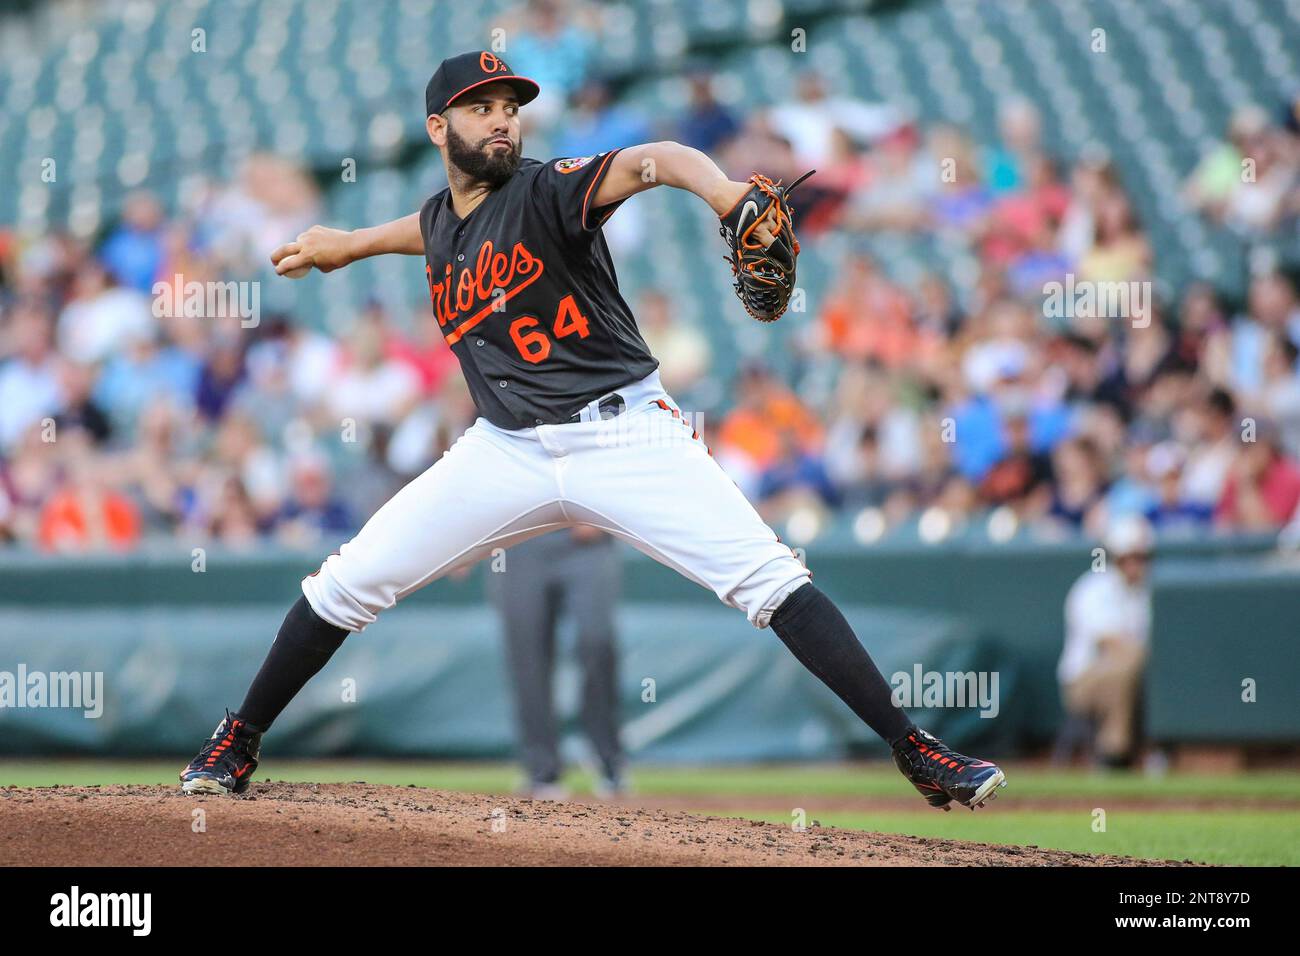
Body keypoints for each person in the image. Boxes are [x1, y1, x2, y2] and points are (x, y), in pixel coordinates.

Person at [177, 50, 1007, 813]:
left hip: (624, 437)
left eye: (509, 104)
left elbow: (658, 160)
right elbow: (418, 232)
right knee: (346, 583)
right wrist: (349, 244)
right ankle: (237, 742)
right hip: (504, 450)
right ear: (438, 129)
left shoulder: (550, 188)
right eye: (479, 108)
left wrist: (722, 193)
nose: (501, 118)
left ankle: (916, 750)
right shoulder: (440, 222)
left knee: (766, 578)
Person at [487, 527, 624, 799]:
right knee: (527, 657)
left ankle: (610, 761)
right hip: (518, 542)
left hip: (584, 539)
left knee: (596, 642)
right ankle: (542, 771)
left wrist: (596, 516)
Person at [1055, 516, 1154, 767]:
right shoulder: (1093, 588)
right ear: (1115, 558)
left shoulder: (1148, 591)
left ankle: (1156, 753)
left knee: (1132, 665)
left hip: (1136, 674)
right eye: (1127, 558)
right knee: (1126, 662)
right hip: (1082, 682)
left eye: (1140, 557)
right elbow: (1111, 644)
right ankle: (1113, 753)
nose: (1134, 565)